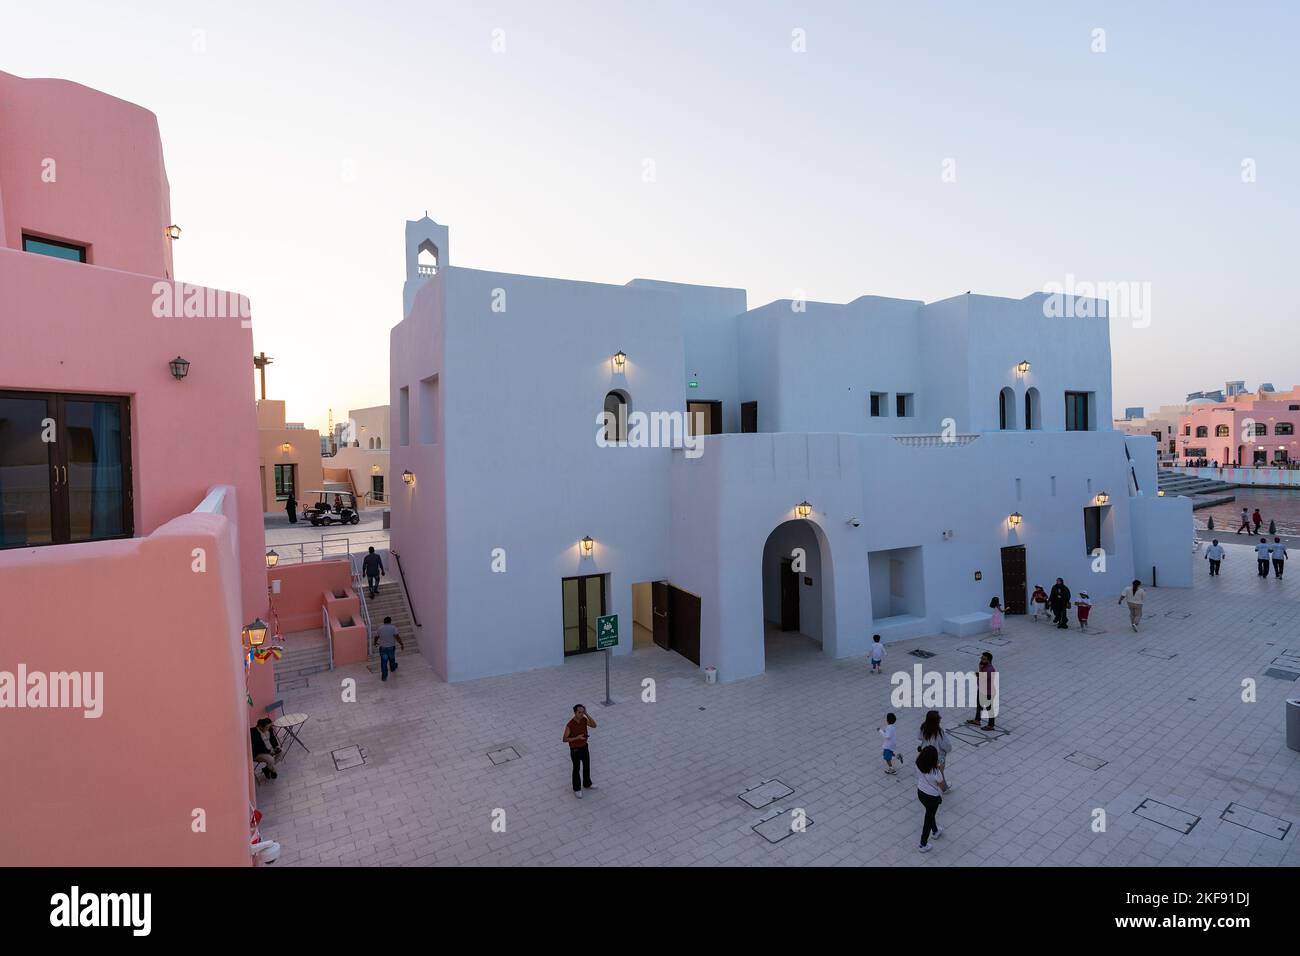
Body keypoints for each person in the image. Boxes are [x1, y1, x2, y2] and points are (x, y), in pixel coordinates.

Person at [914, 745, 946, 853]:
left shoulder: (918, 763)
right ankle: (923, 844)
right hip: (932, 797)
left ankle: (936, 831)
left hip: (921, 793)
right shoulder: (936, 772)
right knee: (928, 818)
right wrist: (940, 769)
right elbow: (942, 786)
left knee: (929, 813)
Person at [562, 704, 597, 798]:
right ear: (575, 713)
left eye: (583, 712)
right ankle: (577, 789)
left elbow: (594, 725)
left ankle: (587, 784)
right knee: (576, 768)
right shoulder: (570, 724)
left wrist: (587, 714)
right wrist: (577, 738)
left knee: (587, 766)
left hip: (584, 747)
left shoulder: (584, 720)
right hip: (575, 750)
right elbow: (564, 739)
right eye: (580, 712)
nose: (581, 714)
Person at [918, 710, 953, 793]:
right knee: (940, 772)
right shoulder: (939, 732)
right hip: (938, 756)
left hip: (926, 753)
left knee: (929, 770)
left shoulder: (923, 727)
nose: (940, 718)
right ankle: (944, 788)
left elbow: (919, 737)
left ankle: (931, 784)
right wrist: (947, 750)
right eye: (939, 717)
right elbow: (947, 746)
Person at [966, 652, 998, 730]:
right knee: (979, 706)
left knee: (989, 709)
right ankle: (977, 720)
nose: (981, 660)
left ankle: (991, 725)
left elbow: (982, 679)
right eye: (981, 658)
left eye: (984, 659)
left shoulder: (990, 669)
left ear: (989, 660)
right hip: (981, 690)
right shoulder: (984, 666)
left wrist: (979, 671)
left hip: (988, 692)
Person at [373, 615, 404, 680]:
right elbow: (397, 637)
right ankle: (392, 668)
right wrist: (401, 644)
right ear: (390, 621)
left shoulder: (380, 628)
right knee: (392, 658)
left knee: (384, 662)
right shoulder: (393, 628)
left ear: (384, 622)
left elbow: (376, 637)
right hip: (391, 647)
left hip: (383, 648)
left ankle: (384, 676)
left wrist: (375, 643)